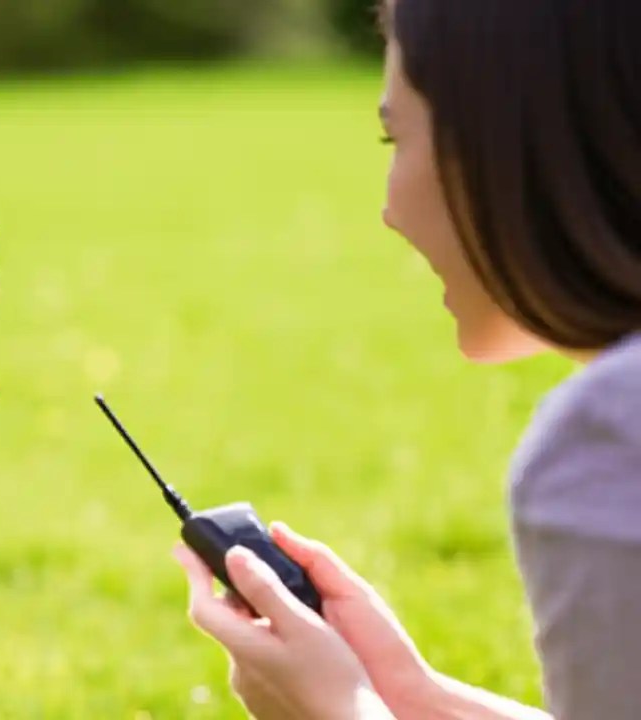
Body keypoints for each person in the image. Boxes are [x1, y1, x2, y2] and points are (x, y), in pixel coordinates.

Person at [170, 0, 641, 717]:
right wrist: (415, 696)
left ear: (509, 153)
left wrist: (338, 711)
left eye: (397, 140)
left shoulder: (609, 437)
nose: (390, 211)